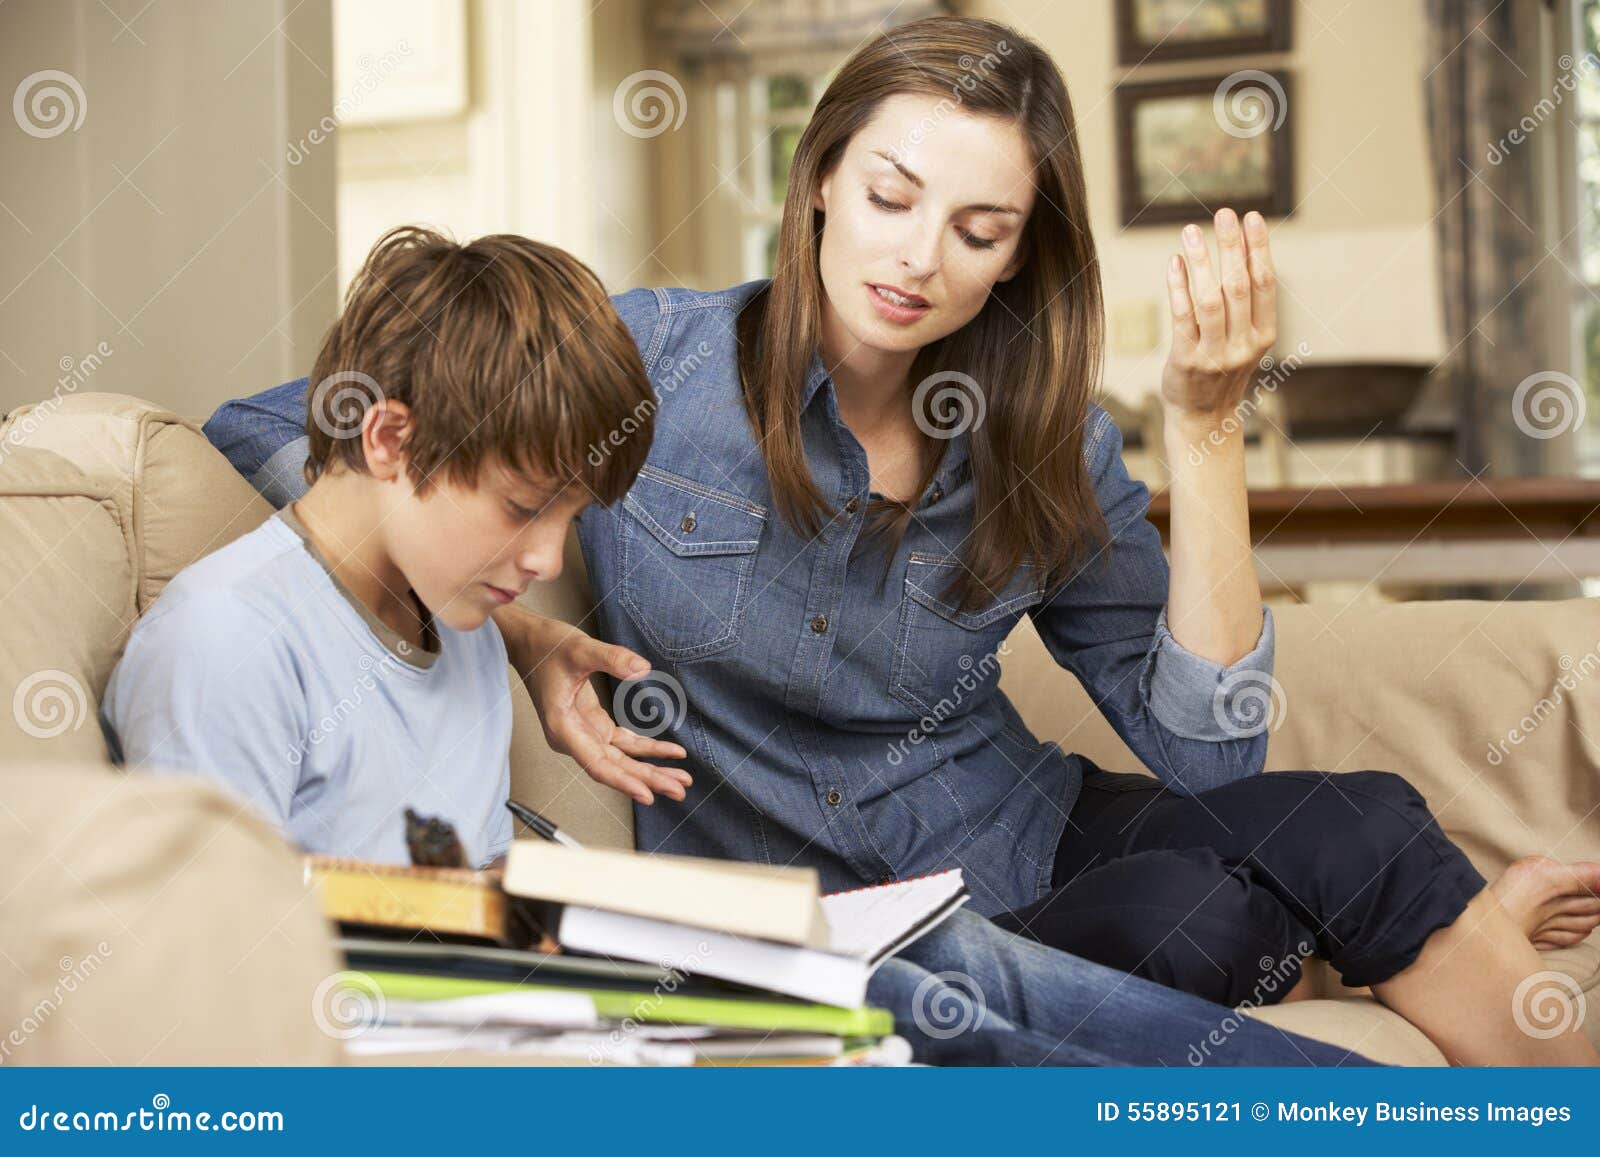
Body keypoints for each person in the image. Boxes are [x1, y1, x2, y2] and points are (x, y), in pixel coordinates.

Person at [204, 17, 1599, 1064]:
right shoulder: (648, 362)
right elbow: (276, 425)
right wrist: (524, 633)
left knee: (1349, 814)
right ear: (817, 179)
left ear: (1018, 256)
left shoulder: (1040, 439)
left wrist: (1211, 427)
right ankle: (1407, 934)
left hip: (1035, 831)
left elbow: (1212, 743)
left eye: (979, 228)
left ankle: (1436, 941)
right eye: (889, 197)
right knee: (1201, 925)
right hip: (851, 921)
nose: (920, 256)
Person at [102, 225, 662, 868]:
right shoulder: (224, 644)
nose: (548, 561)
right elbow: (214, 945)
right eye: (523, 508)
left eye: (571, 519)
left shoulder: (462, 627)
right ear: (389, 441)